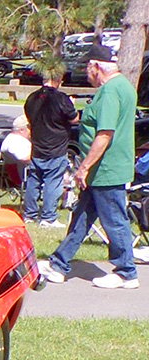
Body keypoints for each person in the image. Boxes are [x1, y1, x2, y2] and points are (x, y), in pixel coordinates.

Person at [38, 45, 139, 289]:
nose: (86, 72)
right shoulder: (123, 86)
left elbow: (104, 134)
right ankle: (59, 264)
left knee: (114, 220)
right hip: (102, 170)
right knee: (82, 217)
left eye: (87, 67)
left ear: (96, 66)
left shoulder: (110, 91)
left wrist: (83, 168)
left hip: (106, 169)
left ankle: (126, 272)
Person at [23, 72, 78, 227]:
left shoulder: (32, 98)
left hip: (38, 145)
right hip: (56, 147)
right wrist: (71, 105)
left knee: (33, 180)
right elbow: (74, 118)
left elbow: (28, 117)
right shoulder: (61, 98)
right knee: (52, 182)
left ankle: (30, 214)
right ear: (59, 80)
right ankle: (48, 217)